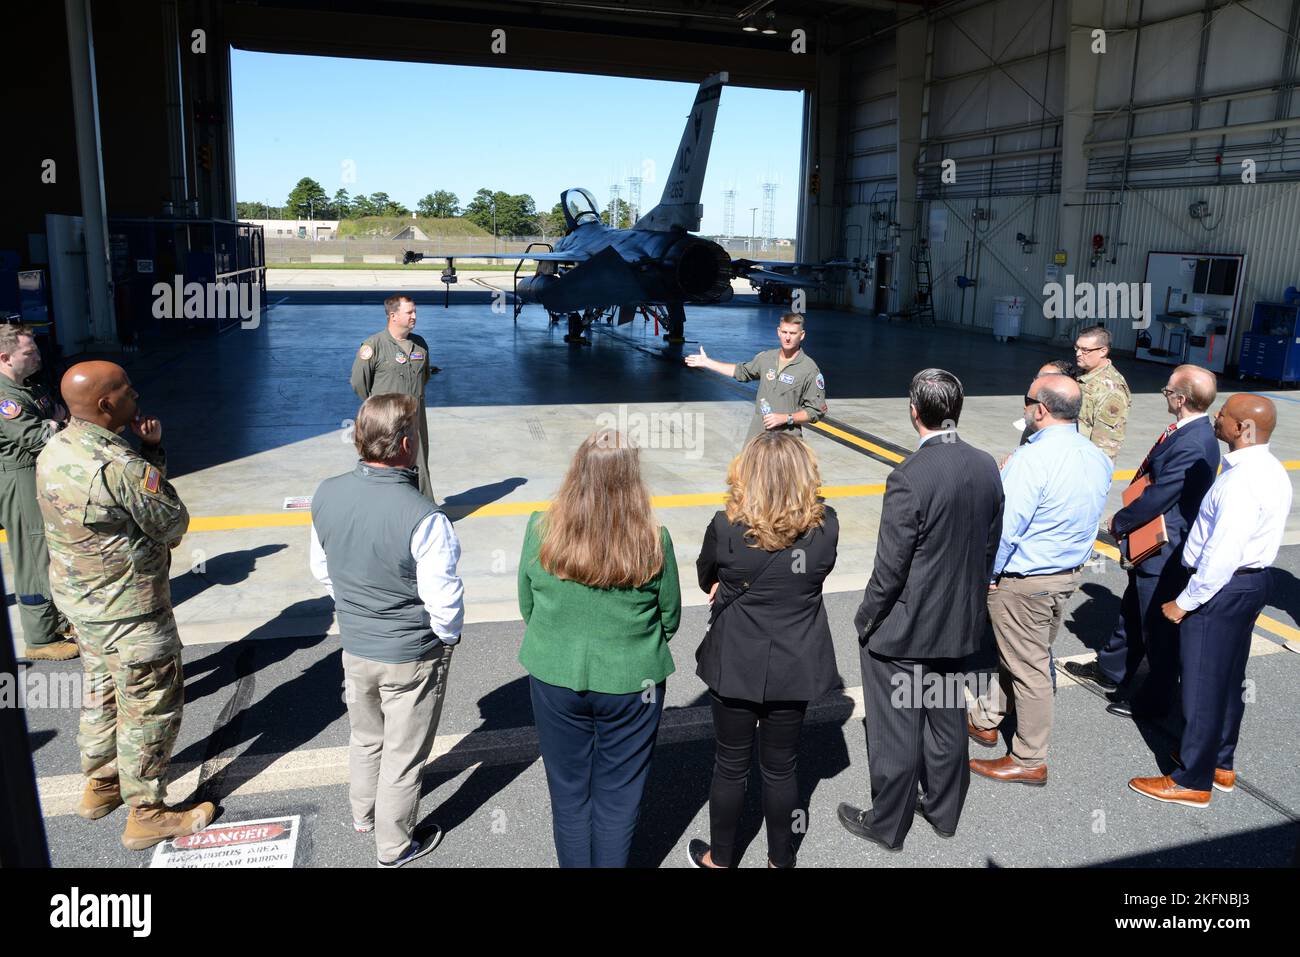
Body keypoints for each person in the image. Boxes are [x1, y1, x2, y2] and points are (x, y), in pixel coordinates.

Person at [35, 361, 215, 848]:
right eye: (127, 391)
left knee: (100, 693)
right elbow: (172, 523)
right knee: (150, 707)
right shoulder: (121, 467)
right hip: (131, 612)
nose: (136, 396)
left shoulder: (55, 449)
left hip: (83, 607)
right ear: (106, 405)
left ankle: (101, 785)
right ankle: (147, 812)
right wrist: (153, 453)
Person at [838, 370, 1003, 851]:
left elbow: (890, 568)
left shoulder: (908, 476)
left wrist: (866, 619)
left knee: (895, 728)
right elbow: (990, 545)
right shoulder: (986, 464)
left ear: (914, 412)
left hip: (906, 627)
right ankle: (944, 812)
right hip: (959, 620)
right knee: (946, 715)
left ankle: (888, 825)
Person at [310, 393, 463, 867]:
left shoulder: (326, 493)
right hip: (409, 652)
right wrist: (447, 637)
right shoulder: (425, 516)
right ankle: (394, 845)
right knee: (403, 754)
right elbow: (444, 602)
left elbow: (322, 570)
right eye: (413, 434)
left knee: (365, 735)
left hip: (354, 644)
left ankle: (362, 814)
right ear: (403, 443)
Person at [517, 430, 680, 867]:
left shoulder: (540, 528)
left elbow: (527, 605)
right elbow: (670, 617)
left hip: (555, 675)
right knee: (618, 797)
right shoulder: (652, 539)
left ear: (578, 470)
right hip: (633, 681)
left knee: (569, 793)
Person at [1130, 394, 1291, 807]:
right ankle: (1219, 762)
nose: (1216, 418)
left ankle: (1192, 781)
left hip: (1221, 586)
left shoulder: (1240, 483)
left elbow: (1222, 554)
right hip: (1251, 585)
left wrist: (1184, 601)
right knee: (1227, 678)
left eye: (1224, 415)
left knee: (1200, 685)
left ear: (1243, 429)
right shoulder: (1269, 470)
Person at [689, 431, 840, 868]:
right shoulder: (826, 524)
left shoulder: (725, 526)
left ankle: (721, 857)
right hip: (795, 662)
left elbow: (707, 577)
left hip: (735, 660)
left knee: (730, 765)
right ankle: (780, 859)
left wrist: (727, 583)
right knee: (782, 768)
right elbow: (818, 573)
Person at [966, 374, 1112, 786]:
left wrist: (988, 575)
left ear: (1041, 409)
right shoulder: (1095, 455)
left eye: (1026, 399)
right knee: (1020, 654)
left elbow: (1006, 528)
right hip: (1063, 575)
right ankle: (987, 720)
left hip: (1023, 580)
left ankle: (1029, 759)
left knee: (1028, 668)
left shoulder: (1032, 460)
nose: (1024, 407)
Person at [1064, 365, 1220, 720]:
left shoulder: (1195, 440)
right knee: (1133, 610)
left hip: (1164, 546)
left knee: (1158, 629)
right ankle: (1112, 668)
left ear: (1181, 399)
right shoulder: (1187, 431)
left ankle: (1155, 701)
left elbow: (1163, 493)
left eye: (1167, 392)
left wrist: (1121, 521)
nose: (1165, 395)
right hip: (1153, 543)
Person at [0, 323, 75, 660]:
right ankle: (40, 638)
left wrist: (54, 421)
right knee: (33, 555)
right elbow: (37, 437)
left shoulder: (30, 387)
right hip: (20, 480)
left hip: (41, 476)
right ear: (5, 357)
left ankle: (57, 620)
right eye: (29, 353)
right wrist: (55, 423)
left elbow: (57, 417)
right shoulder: (6, 398)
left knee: (51, 550)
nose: (37, 357)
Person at [684, 312, 826, 442]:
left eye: (793, 333)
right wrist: (708, 363)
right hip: (758, 437)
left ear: (802, 335)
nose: (787, 337)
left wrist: (786, 418)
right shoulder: (766, 358)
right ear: (778, 332)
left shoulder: (809, 369)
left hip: (787, 443)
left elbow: (816, 411)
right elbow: (741, 372)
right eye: (784, 332)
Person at [350, 294, 439, 500]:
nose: (414, 316)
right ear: (393, 316)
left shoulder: (420, 345)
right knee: (385, 465)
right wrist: (380, 408)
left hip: (415, 420)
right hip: (386, 423)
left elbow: (423, 377)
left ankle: (422, 507)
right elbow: (358, 383)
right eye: (409, 312)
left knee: (419, 464)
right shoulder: (374, 346)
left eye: (415, 311)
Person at [1074, 324, 1130, 462]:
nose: (1078, 353)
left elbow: (1105, 446)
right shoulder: (1083, 374)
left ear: (1103, 351)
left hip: (1085, 465)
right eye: (1077, 347)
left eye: (1085, 350)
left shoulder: (1111, 390)